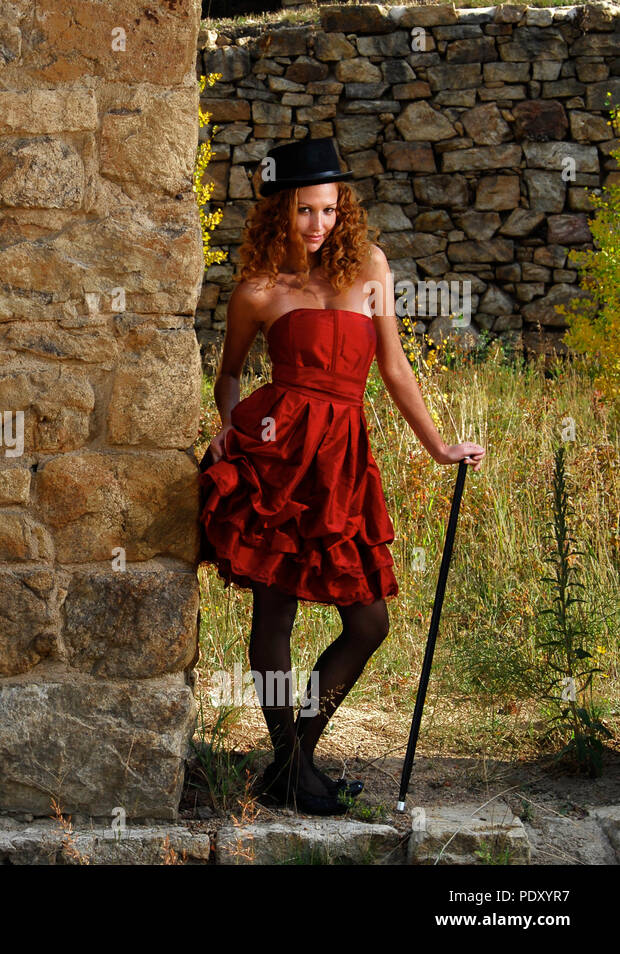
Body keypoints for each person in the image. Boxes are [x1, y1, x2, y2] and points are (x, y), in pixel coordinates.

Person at [197, 137, 487, 816]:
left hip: (342, 465)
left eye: (328, 210)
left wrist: (439, 446)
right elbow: (232, 375)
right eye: (304, 211)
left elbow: (393, 369)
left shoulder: (370, 269)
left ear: (342, 209)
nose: (318, 225)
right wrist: (236, 432)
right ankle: (291, 768)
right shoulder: (259, 290)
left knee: (368, 621)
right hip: (278, 461)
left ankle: (294, 758)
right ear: (279, 211)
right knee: (275, 614)